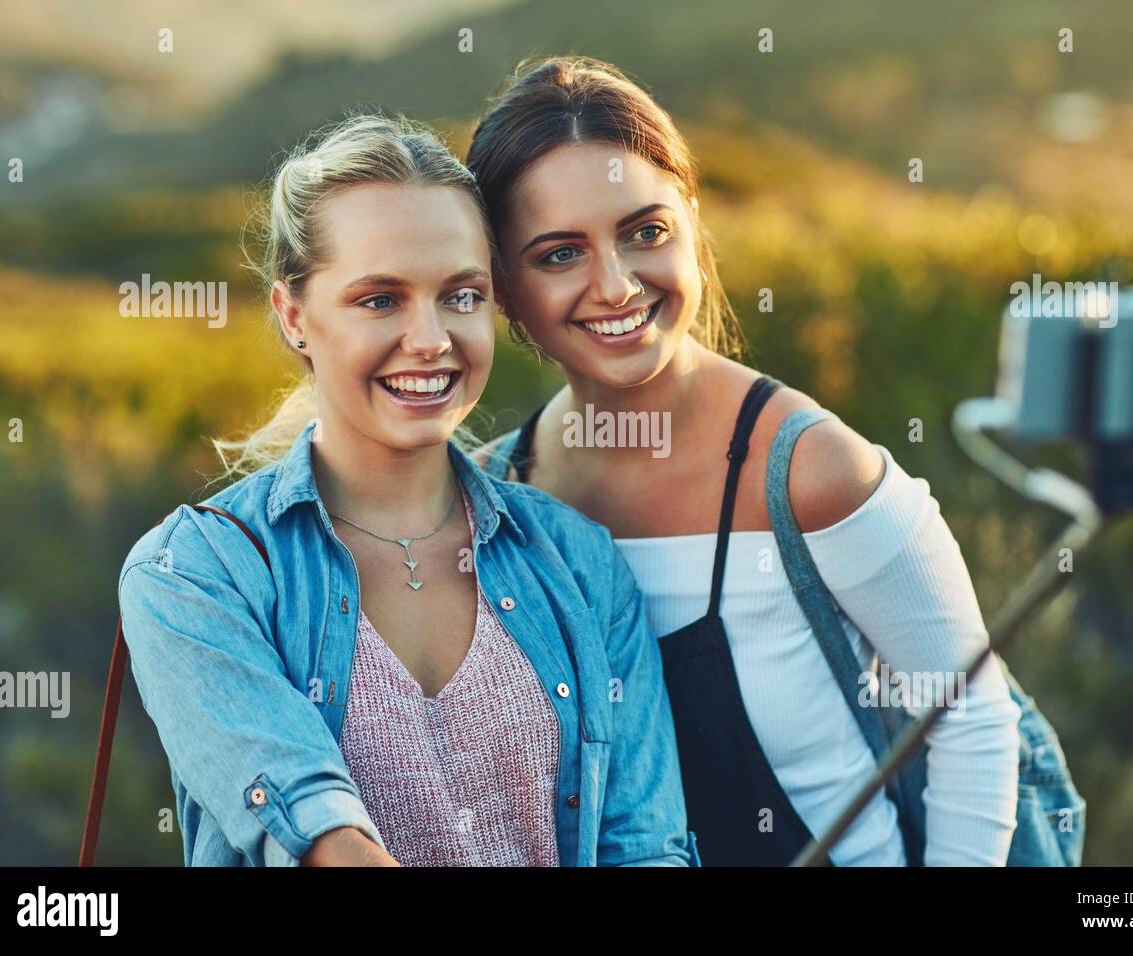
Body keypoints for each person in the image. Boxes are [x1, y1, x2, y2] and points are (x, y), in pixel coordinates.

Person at [468, 57, 1023, 865]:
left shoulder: (811, 470)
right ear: (502, 284)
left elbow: (970, 717)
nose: (617, 285)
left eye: (644, 232)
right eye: (559, 254)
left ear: (692, 221)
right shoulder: (495, 494)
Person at [117, 112, 692, 867]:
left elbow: (647, 850)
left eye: (461, 295)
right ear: (294, 315)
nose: (430, 340)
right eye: (380, 299)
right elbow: (323, 839)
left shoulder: (581, 564)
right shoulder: (194, 575)